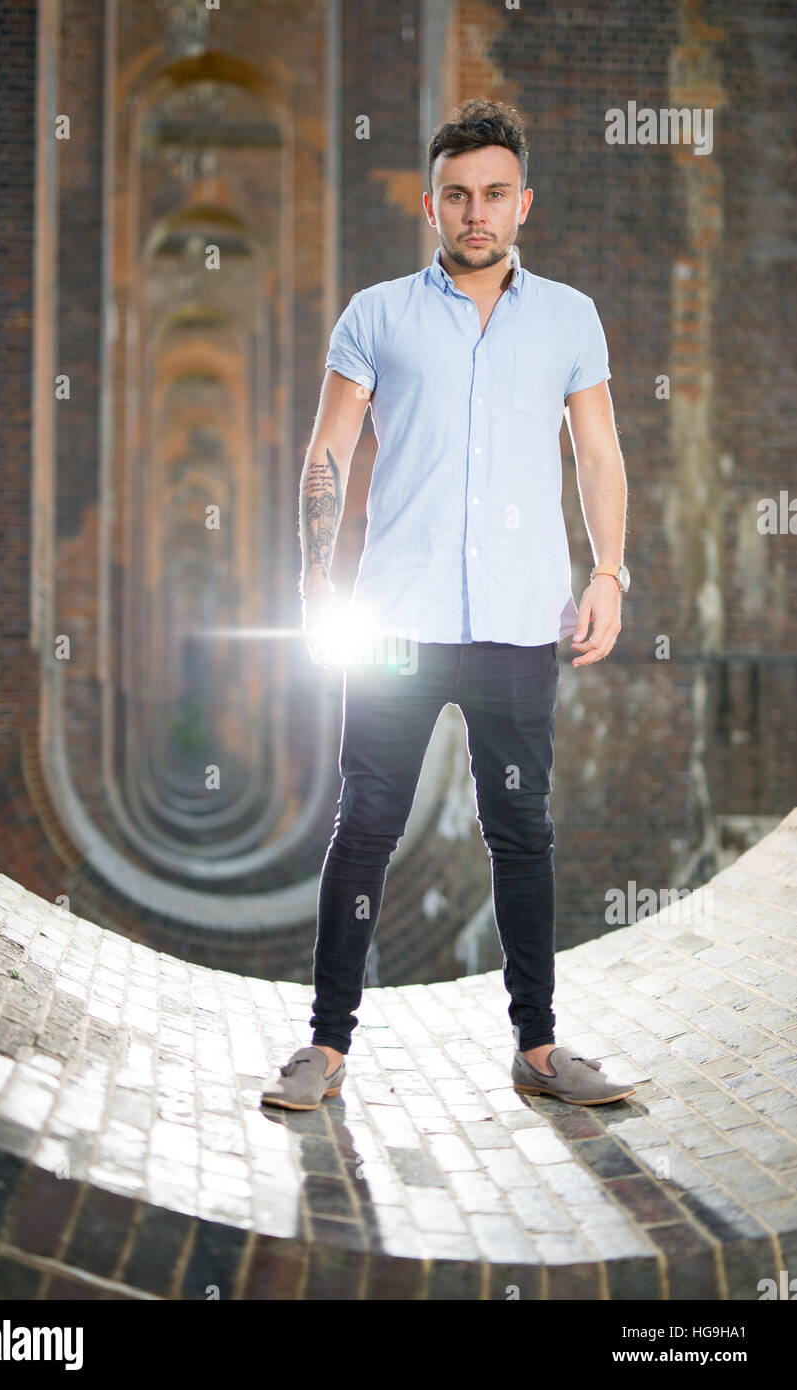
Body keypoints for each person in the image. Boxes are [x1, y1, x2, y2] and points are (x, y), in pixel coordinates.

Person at [261, 97, 635, 1112]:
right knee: (367, 822)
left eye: (495, 195)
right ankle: (326, 1047)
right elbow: (327, 453)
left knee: (520, 831)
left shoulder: (569, 318)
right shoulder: (376, 314)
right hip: (392, 622)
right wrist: (310, 579)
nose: (477, 213)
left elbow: (596, 453)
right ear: (432, 203)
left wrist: (608, 572)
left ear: (525, 205)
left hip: (519, 625)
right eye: (458, 196)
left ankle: (540, 1047)